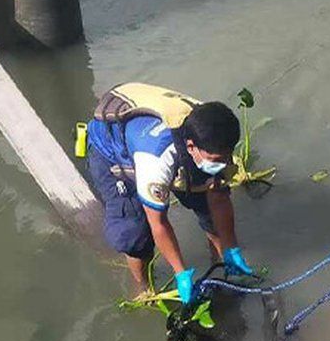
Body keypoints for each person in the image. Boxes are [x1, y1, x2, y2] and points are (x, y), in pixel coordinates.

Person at [84, 83, 257, 302]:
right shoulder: (155, 161)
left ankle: (221, 269)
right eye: (215, 160)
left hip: (174, 145)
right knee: (134, 233)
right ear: (191, 146)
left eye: (226, 157)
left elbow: (219, 198)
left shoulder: (213, 132)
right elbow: (159, 223)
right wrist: (181, 273)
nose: (222, 164)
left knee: (207, 206)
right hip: (113, 152)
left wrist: (232, 247)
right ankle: (144, 289)